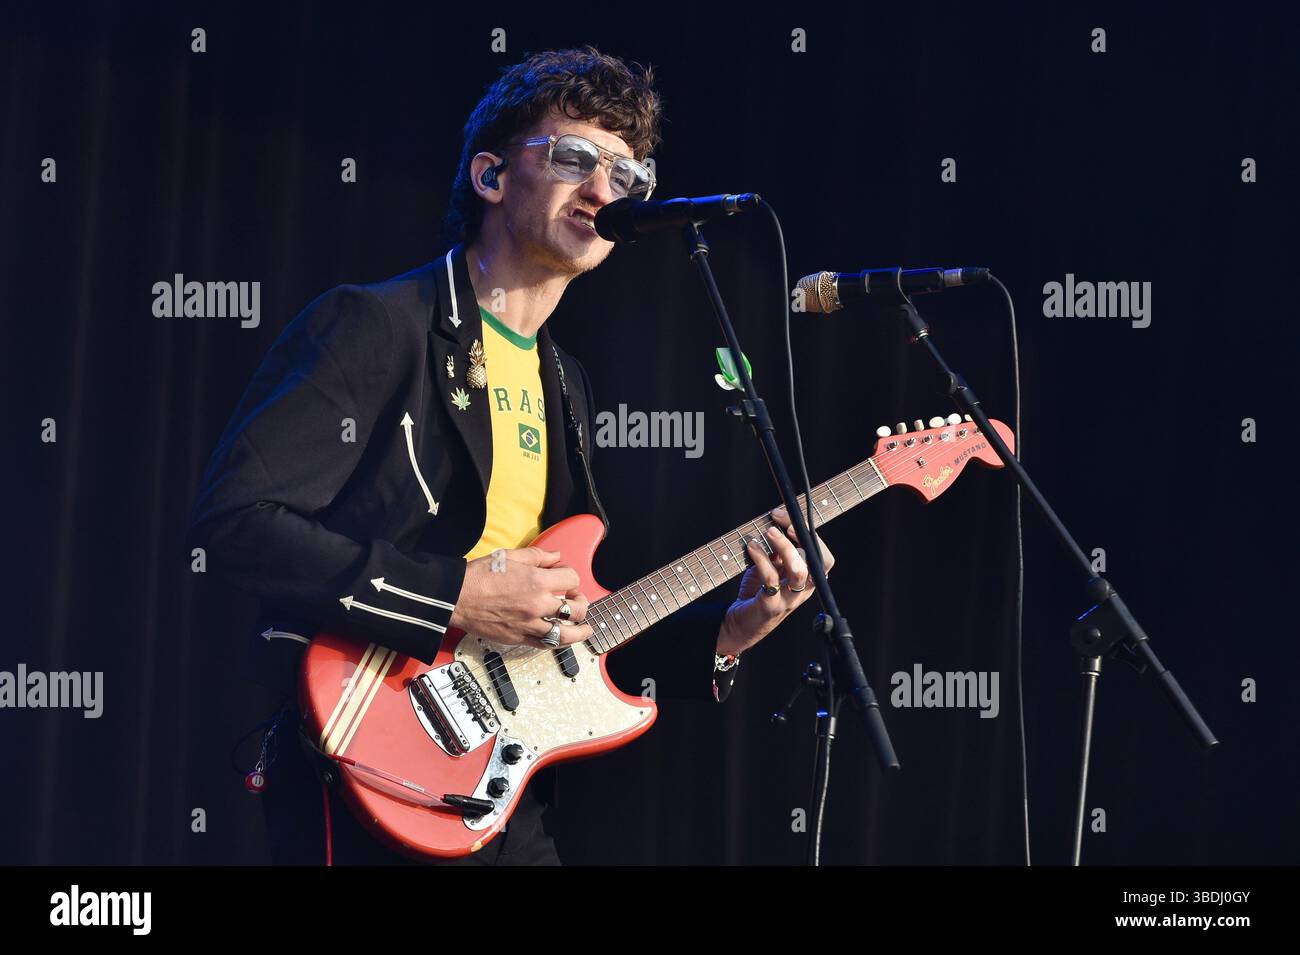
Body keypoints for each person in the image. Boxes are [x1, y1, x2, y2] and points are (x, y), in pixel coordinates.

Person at [188, 45, 833, 866]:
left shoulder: (568, 382)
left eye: (629, 177)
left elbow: (568, 632)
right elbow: (234, 525)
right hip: (364, 759)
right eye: (574, 160)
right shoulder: (375, 326)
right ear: (491, 177)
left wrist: (736, 627)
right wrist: (453, 594)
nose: (605, 190)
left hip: (500, 791)